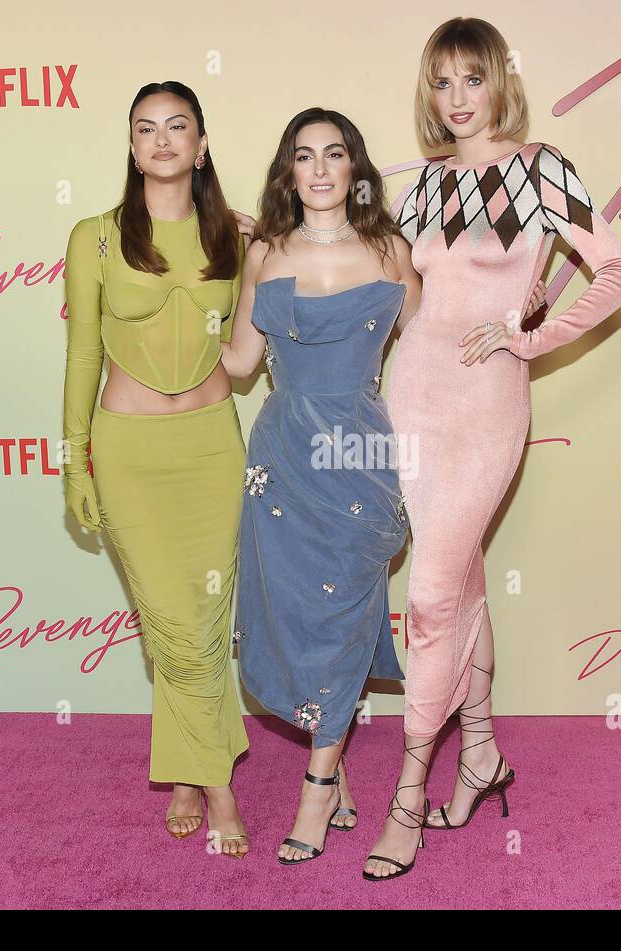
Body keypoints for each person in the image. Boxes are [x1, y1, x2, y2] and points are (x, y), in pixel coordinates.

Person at [363, 17, 621, 880]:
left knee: (435, 590)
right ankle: (479, 752)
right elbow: (407, 302)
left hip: (487, 400)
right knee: (464, 575)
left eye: (471, 80)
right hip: (413, 393)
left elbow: (620, 273)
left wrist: (528, 338)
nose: (456, 100)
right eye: (441, 82)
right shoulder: (419, 188)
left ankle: (409, 790)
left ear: (498, 83)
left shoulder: (542, 168)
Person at [222, 108, 420, 865]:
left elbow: (429, 348)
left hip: (359, 453)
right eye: (304, 157)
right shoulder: (264, 252)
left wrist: (512, 313)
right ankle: (331, 777)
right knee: (296, 614)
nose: (321, 169)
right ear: (289, 172)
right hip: (283, 457)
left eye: (335, 154)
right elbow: (241, 361)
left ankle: (316, 786)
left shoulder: (391, 250)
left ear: (356, 168)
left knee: (344, 614)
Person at [62, 81, 252, 858]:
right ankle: (220, 791)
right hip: (132, 456)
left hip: (212, 448)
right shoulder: (95, 238)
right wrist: (75, 457)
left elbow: (246, 355)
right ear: (132, 147)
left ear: (202, 145)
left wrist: (267, 242)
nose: (163, 139)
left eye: (179, 127)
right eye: (147, 128)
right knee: (174, 625)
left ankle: (182, 770)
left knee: (201, 627)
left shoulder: (236, 240)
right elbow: (81, 355)